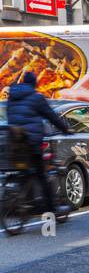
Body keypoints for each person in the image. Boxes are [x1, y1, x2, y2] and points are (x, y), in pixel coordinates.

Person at [4, 71, 74, 217]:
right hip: (31, 142)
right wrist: (65, 129)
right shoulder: (37, 98)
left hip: (15, 142)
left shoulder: (12, 97)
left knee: (23, 171)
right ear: (35, 83)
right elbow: (51, 116)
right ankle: (51, 208)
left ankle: (23, 200)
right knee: (41, 174)